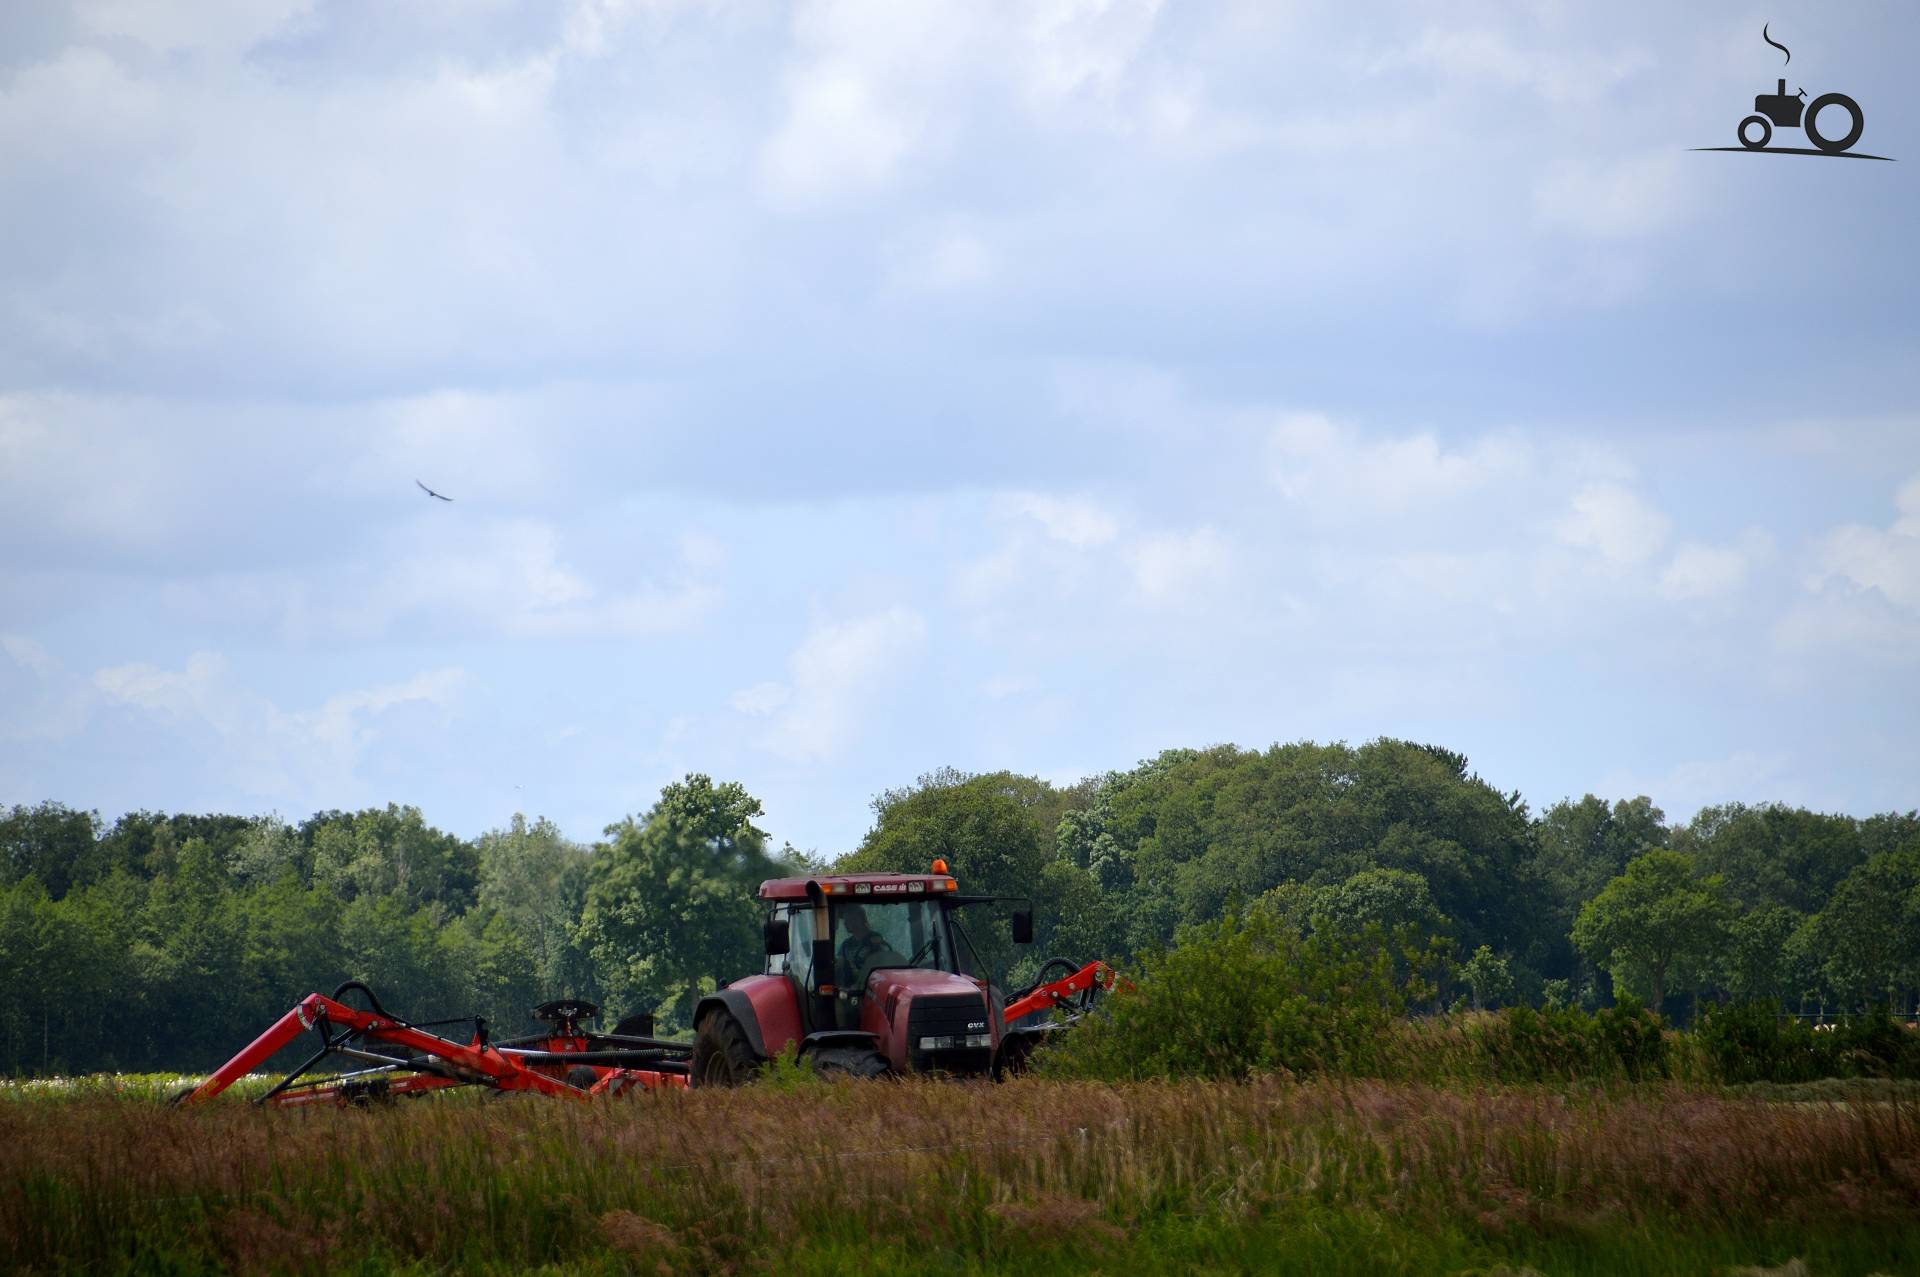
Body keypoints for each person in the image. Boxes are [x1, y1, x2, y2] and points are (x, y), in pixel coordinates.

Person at [835, 904, 906, 996]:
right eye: (845, 920)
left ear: (859, 919)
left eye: (848, 919)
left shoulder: (875, 940)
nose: (845, 923)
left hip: (871, 986)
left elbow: (881, 963)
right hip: (851, 988)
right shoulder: (846, 945)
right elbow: (840, 964)